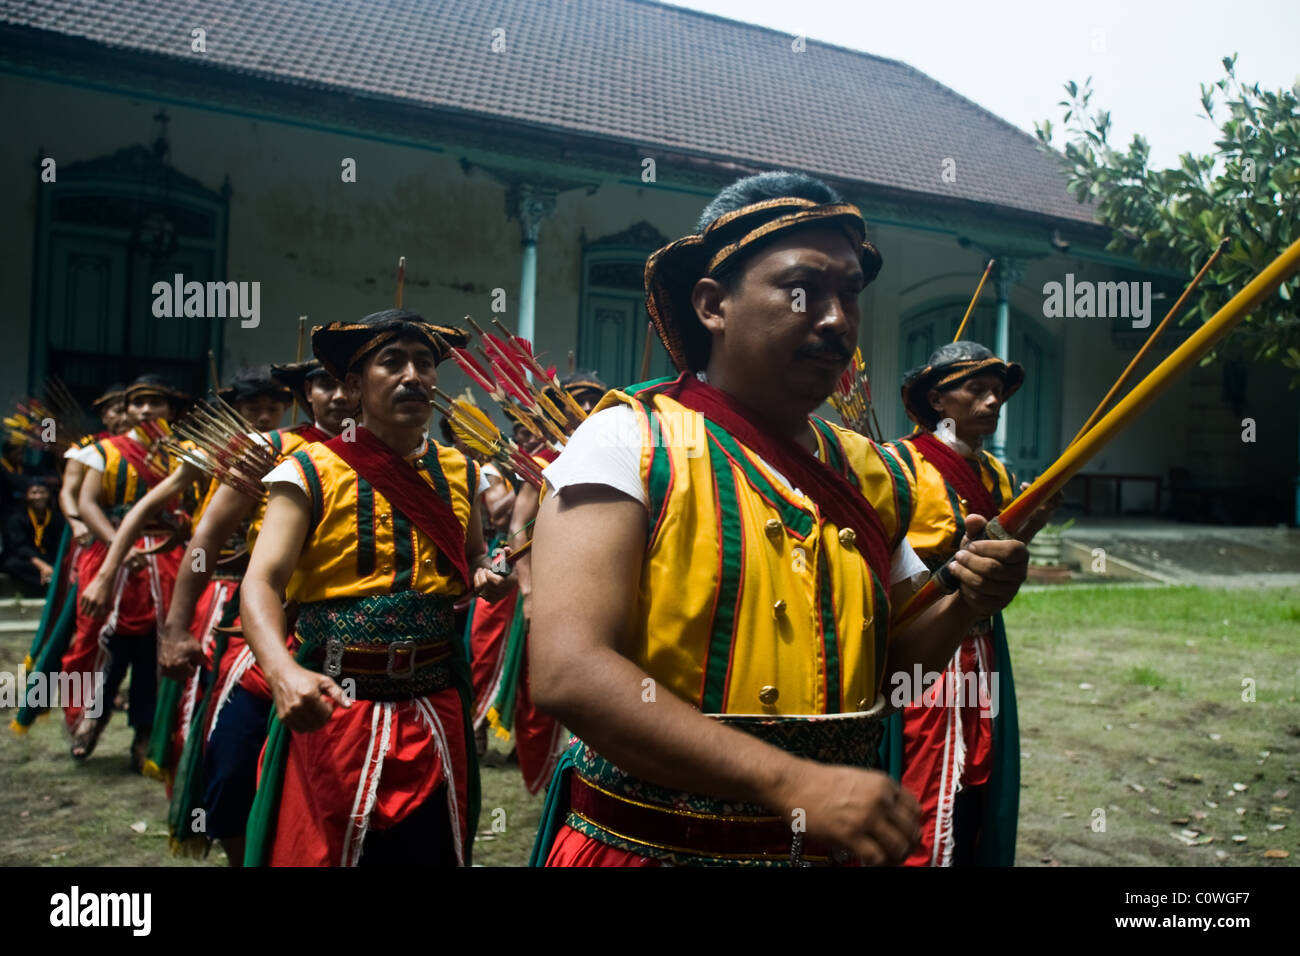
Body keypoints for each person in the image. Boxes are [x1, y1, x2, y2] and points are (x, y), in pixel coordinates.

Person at [527, 171, 1030, 867]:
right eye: (802, 290)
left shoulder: (869, 471)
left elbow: (891, 671)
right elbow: (569, 671)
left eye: (849, 293)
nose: (835, 319)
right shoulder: (627, 441)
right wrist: (792, 782)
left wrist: (968, 600)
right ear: (713, 305)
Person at [239, 309, 513, 866]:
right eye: (393, 362)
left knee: (431, 851)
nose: (414, 375)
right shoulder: (308, 471)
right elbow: (262, 581)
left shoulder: (462, 470)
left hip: (436, 703)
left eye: (425, 363)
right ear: (353, 386)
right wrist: (283, 671)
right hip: (340, 703)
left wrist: (489, 574)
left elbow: (475, 555)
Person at [879, 340, 1060, 866]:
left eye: (998, 393)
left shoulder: (999, 477)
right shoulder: (899, 465)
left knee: (978, 765)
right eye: (975, 390)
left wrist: (1031, 523)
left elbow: (1001, 555)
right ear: (939, 399)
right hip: (925, 639)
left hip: (982, 643)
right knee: (925, 762)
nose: (991, 403)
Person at [173, 359, 352, 864]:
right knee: (231, 768)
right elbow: (206, 538)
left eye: (345, 382)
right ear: (305, 393)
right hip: (264, 632)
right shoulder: (271, 449)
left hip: (347, 646)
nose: (337, 395)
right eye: (324, 383)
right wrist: (175, 627)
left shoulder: (391, 456)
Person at [484, 371, 606, 792]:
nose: (586, 409)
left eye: (594, 400)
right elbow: (518, 528)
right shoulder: (542, 464)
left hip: (598, 591)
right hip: (549, 592)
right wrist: (531, 593)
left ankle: (584, 769)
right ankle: (545, 772)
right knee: (540, 685)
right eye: (577, 400)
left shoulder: (617, 456)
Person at [60, 375, 189, 768]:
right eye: (138, 402)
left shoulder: (184, 453)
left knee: (158, 643)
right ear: (128, 409)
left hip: (167, 558)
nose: (146, 410)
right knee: (98, 638)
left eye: (155, 402)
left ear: (170, 410)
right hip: (109, 554)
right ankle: (89, 719)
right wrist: (122, 544)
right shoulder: (104, 451)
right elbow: (88, 503)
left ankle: (147, 731)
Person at [3, 482, 65, 596]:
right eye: (34, 493)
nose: (38, 496)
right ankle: (47, 584)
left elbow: (60, 545)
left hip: (51, 559)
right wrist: (42, 566)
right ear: (27, 496)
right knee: (12, 564)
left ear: (49, 495)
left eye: (42, 492)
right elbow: (20, 547)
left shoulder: (57, 519)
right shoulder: (17, 519)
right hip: (30, 560)